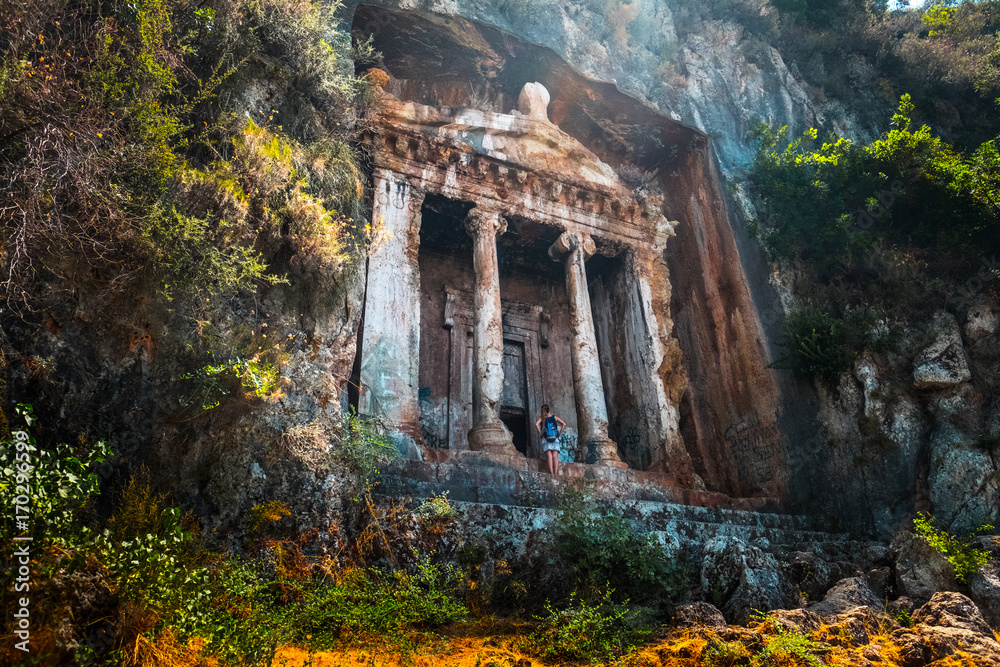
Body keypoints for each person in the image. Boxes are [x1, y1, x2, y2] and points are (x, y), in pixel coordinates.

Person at [535, 404, 566, 475]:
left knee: (549, 455)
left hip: (546, 438)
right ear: (549, 409)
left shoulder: (542, 419)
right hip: (555, 438)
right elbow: (564, 424)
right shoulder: (555, 417)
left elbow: (536, 424)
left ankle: (551, 473)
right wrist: (559, 433)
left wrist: (540, 433)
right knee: (555, 456)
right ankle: (556, 473)